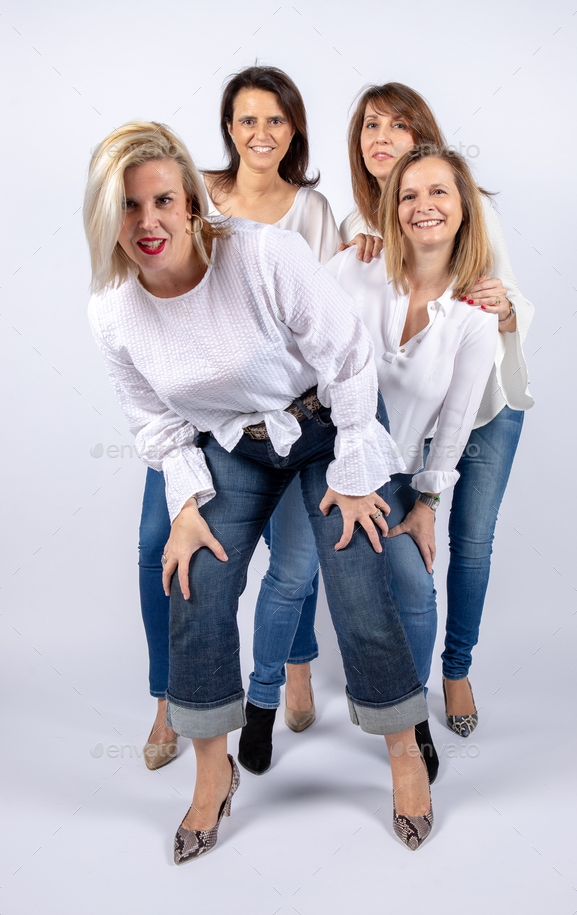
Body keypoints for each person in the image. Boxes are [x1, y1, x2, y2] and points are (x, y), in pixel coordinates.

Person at [84, 121, 435, 857]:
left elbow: (348, 357)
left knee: (355, 566)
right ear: (105, 217)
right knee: (196, 576)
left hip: (328, 421)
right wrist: (186, 507)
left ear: (190, 202)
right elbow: (156, 423)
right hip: (235, 444)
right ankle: (214, 775)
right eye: (127, 206)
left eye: (162, 201)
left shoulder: (262, 255)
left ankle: (404, 751)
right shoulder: (113, 311)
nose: (147, 222)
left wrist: (352, 473)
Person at [137, 66, 340, 776]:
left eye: (276, 120)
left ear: (294, 129)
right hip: (193, 406)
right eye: (247, 119)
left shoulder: (312, 211)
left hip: (273, 409)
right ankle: (169, 697)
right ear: (228, 126)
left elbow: (325, 315)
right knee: (160, 545)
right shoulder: (194, 191)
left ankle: (296, 665)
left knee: (292, 551)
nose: (261, 133)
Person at [340, 83, 534, 738]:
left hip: (485, 405)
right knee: (412, 538)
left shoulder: (461, 199)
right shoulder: (358, 223)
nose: (383, 138)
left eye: (398, 125)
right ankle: (398, 685)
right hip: (414, 411)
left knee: (470, 539)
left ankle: (456, 669)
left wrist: (503, 309)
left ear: (420, 134)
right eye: (371, 125)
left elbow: (509, 297)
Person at [329, 147, 498, 779]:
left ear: (464, 208)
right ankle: (276, 692)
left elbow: (454, 423)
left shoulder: (474, 317)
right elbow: (293, 341)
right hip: (326, 458)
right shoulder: (354, 269)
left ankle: (412, 713)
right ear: (392, 211)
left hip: (397, 471)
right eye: (408, 195)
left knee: (417, 590)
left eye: (439, 193)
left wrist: (427, 503)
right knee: (298, 575)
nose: (423, 206)